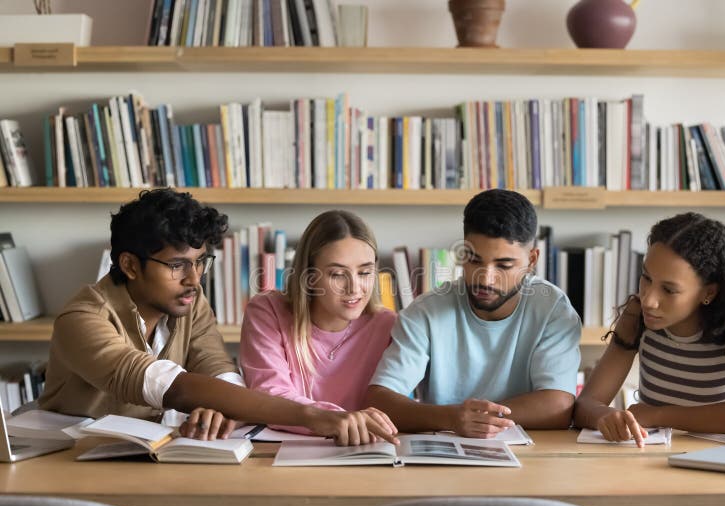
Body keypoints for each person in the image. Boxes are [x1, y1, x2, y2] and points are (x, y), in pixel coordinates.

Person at [39, 189, 397, 446]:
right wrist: (315, 416)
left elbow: (218, 369)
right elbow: (168, 385)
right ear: (130, 265)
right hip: (71, 457)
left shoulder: (189, 303)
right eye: (177, 265)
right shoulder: (82, 318)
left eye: (200, 262)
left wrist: (224, 408)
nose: (194, 279)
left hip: (153, 453)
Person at [366, 189, 582, 437]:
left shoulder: (553, 311)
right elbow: (379, 400)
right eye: (474, 260)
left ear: (532, 260)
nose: (485, 278)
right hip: (443, 457)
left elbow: (559, 406)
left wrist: (477, 419)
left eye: (503, 265)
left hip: (532, 459)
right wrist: (453, 418)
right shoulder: (424, 313)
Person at [574, 212, 725, 447]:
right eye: (646, 278)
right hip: (652, 460)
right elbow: (586, 403)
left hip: (721, 464)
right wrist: (604, 417)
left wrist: (657, 415)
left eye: (669, 290)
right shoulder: (636, 317)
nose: (649, 300)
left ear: (708, 292)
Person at [239, 210, 396, 433]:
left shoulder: (388, 326)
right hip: (279, 454)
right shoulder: (267, 312)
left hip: (364, 453)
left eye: (364, 273)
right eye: (337, 274)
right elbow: (269, 396)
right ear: (310, 277)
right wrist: (335, 419)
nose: (354, 288)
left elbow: (394, 404)